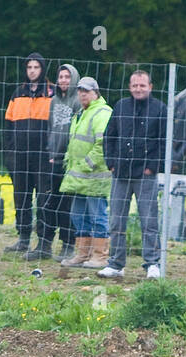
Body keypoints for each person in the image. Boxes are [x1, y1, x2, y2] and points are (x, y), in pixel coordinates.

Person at [99, 69, 168, 279]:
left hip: (146, 174)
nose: (138, 89)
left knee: (149, 220)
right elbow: (109, 136)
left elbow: (166, 141)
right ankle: (116, 264)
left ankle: (152, 264)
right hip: (120, 172)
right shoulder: (121, 106)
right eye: (135, 85)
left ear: (150, 87)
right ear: (130, 87)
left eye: (142, 85)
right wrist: (110, 162)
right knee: (116, 220)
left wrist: (153, 167)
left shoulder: (160, 109)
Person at [58, 76, 113, 269]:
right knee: (78, 215)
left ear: (95, 93)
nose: (82, 94)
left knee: (97, 217)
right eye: (80, 91)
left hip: (95, 177)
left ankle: (100, 256)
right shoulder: (81, 113)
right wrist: (69, 161)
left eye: (86, 91)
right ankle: (82, 254)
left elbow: (102, 144)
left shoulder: (102, 113)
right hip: (79, 177)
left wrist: (85, 164)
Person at [3, 53, 55, 254]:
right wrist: (10, 151)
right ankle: (23, 237)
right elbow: (7, 125)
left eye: (36, 67)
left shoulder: (52, 94)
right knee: (21, 197)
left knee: (44, 199)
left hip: (43, 157)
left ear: (42, 69)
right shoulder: (17, 93)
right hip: (19, 156)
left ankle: (44, 242)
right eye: (29, 67)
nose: (32, 71)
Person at [28, 63, 79, 261]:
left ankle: (68, 244)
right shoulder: (54, 101)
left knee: (67, 206)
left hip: (70, 162)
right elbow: (51, 129)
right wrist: (50, 151)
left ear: (73, 78)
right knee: (48, 203)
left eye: (67, 77)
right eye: (61, 77)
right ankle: (44, 243)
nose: (64, 80)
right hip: (53, 160)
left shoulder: (77, 102)